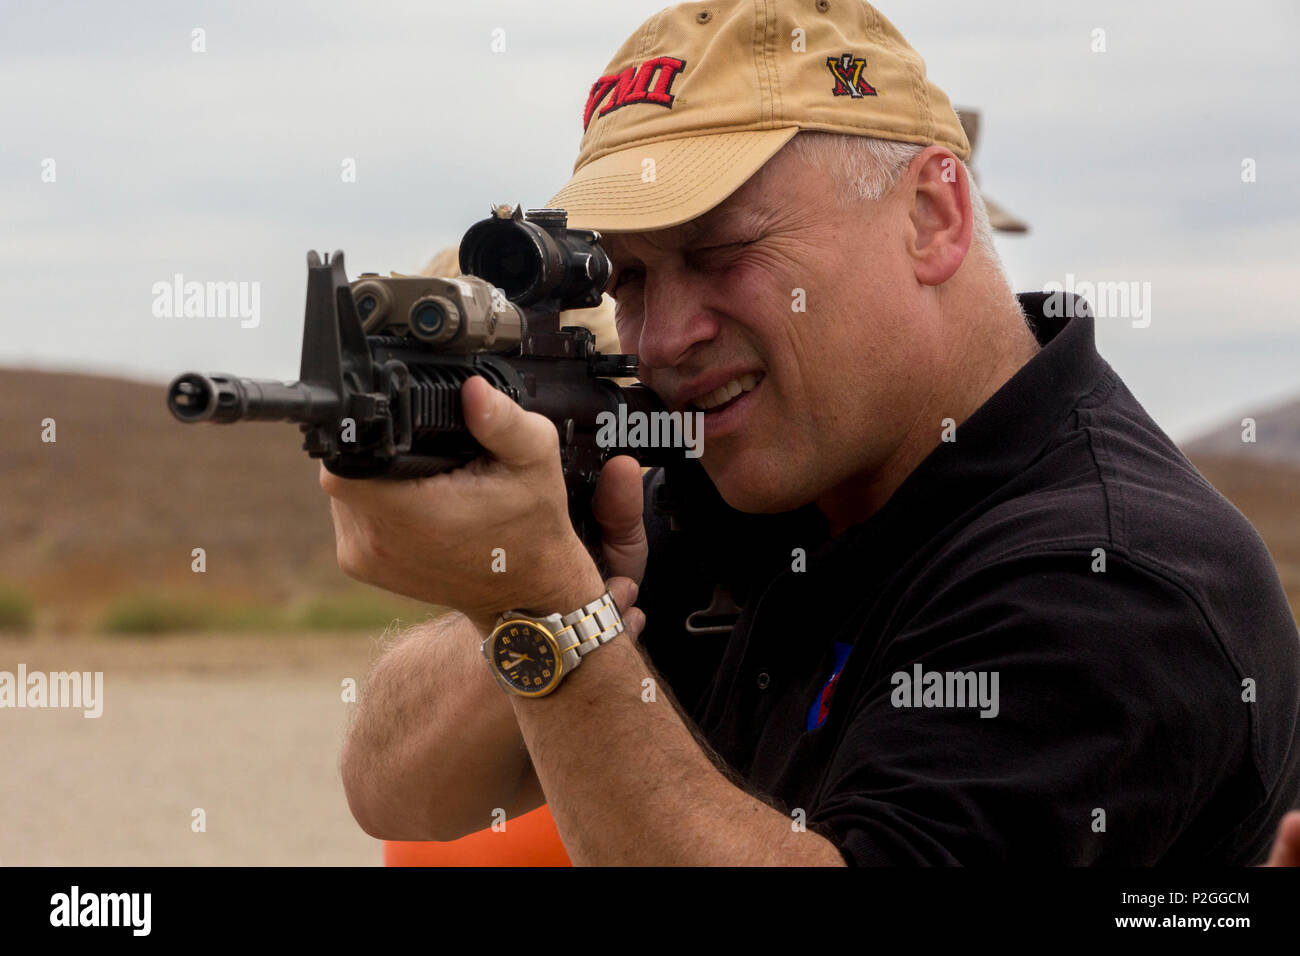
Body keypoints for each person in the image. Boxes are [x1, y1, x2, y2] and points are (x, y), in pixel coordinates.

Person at [327, 0, 1300, 865]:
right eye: (624, 278)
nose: (664, 337)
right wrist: (523, 593)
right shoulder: (750, 486)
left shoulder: (1107, 571)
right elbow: (395, 789)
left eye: (720, 252)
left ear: (932, 214)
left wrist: (553, 615)